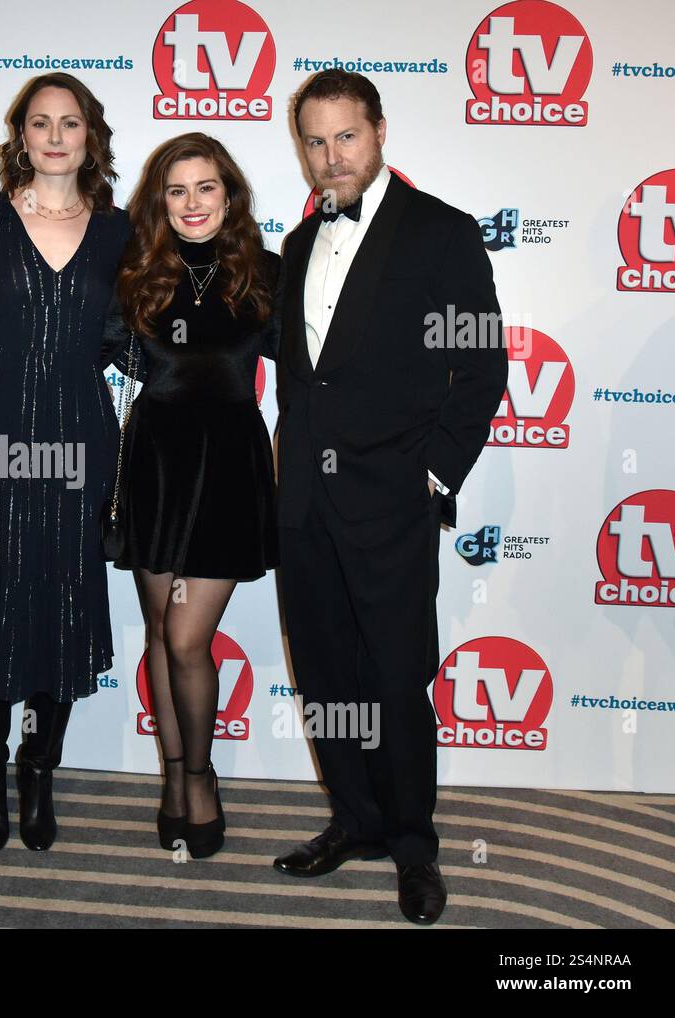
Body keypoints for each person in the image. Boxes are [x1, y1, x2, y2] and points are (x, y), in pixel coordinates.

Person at [271, 70, 507, 924]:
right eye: (315, 140)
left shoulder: (439, 233)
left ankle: (415, 847)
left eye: (346, 137)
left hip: (393, 502)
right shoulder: (297, 246)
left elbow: (479, 367)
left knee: (398, 681)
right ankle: (355, 820)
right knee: (328, 675)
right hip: (304, 505)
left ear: (378, 133)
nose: (330, 157)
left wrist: (432, 478)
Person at [0, 73, 129, 851]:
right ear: (20, 135)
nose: (55, 136)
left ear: (91, 135)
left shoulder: (122, 232)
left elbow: (128, 335)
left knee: (62, 596)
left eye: (71, 123)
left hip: (78, 437)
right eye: (40, 123)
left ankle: (37, 771)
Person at [106, 133, 279, 859]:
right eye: (176, 191)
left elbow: (321, 357)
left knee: (185, 639)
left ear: (229, 194)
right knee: (155, 635)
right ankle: (172, 777)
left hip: (229, 469)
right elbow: (108, 356)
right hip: (155, 464)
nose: (192, 204)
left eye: (206, 188)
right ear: (159, 201)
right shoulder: (138, 272)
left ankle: (202, 778)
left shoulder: (265, 274)